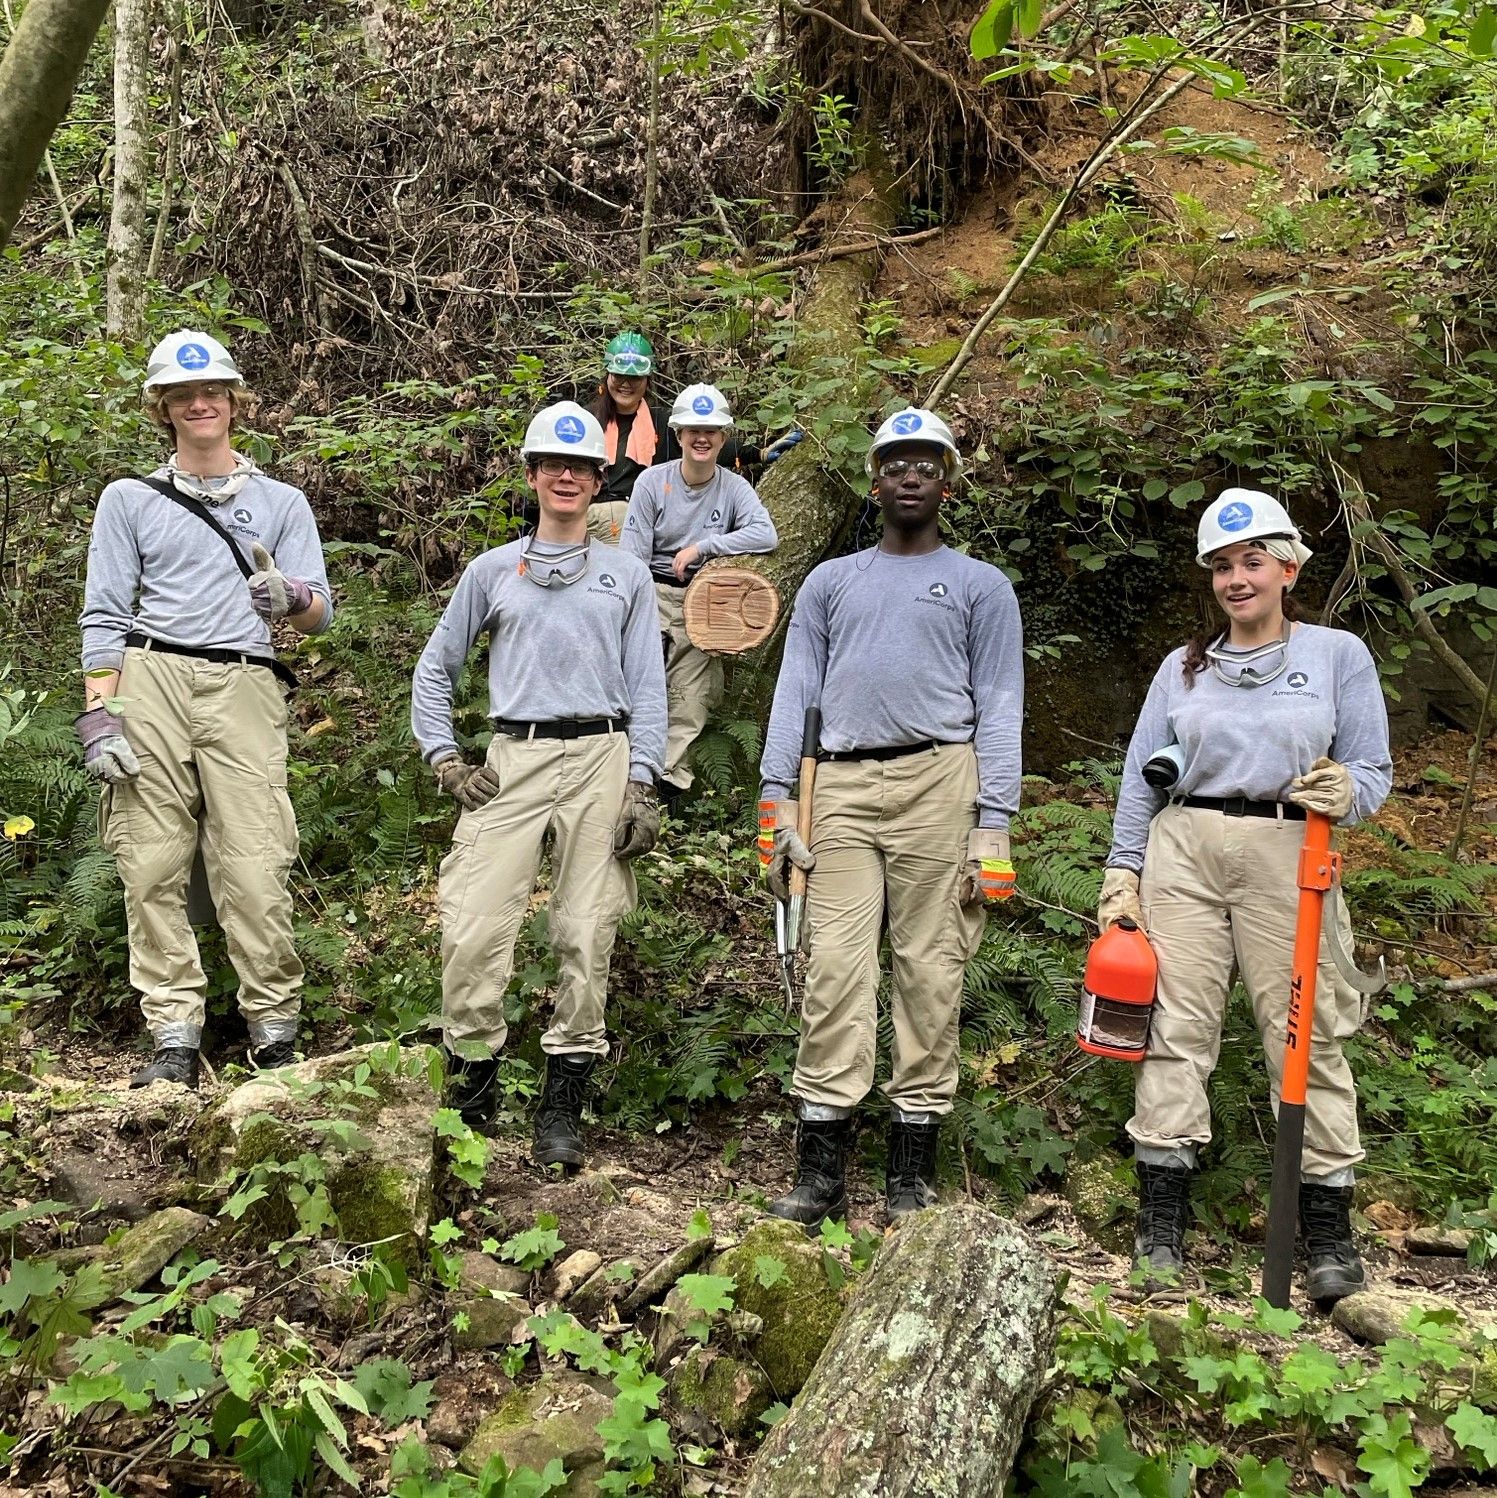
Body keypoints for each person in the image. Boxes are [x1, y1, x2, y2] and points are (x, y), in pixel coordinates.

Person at [1098, 487, 1392, 1302]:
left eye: (1252, 561)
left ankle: (1327, 1237)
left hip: (1288, 849)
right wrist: (1122, 876)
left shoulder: (1336, 656)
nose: (1236, 578)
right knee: (1173, 1027)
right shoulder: (1180, 667)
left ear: (1287, 569)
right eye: (1222, 565)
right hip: (1182, 849)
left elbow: (1370, 769)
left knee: (1304, 1031)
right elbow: (1138, 776)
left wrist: (1345, 789)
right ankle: (1159, 1227)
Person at [758, 408, 1023, 1225]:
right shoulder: (831, 581)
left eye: (925, 464)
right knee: (835, 968)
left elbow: (1001, 705)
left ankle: (911, 1171)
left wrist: (993, 823)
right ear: (874, 483)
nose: (910, 476)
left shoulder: (981, 586)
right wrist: (776, 805)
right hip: (836, 785)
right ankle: (821, 1168)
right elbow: (795, 688)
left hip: (939, 781)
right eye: (895, 464)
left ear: (946, 481)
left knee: (931, 966)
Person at [411, 401, 667, 1168]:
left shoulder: (624, 573)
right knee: (473, 925)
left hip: (601, 756)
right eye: (553, 466)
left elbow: (650, 687)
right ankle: (474, 1089)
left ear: (597, 481)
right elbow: (436, 666)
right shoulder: (492, 570)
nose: (566, 477)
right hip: (512, 759)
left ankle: (561, 1106)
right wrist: (445, 759)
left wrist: (644, 784)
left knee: (586, 932)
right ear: (531, 476)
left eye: (581, 467)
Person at [78, 329, 334, 1088]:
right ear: (162, 406)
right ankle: (174, 1033)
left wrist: (291, 598)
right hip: (150, 673)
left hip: (246, 681)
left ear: (233, 401)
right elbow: (104, 614)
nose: (200, 403)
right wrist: (101, 714)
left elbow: (323, 613)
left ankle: (275, 1028)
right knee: (150, 859)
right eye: (184, 394)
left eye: (213, 391)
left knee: (254, 860)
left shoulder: (281, 502)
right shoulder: (128, 500)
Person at [620, 384, 779, 798]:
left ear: (724, 437)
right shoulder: (652, 483)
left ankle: (665, 784)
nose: (701, 438)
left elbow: (766, 535)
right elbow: (632, 554)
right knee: (644, 682)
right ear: (678, 435)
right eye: (692, 430)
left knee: (691, 694)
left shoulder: (734, 488)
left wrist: (704, 547)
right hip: (652, 593)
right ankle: (627, 770)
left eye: (710, 430)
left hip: (702, 600)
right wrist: (635, 612)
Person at [583, 333, 802, 546]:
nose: (626, 384)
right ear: (608, 376)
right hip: (583, 510)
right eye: (619, 376)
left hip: (628, 517)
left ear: (647, 380)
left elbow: (705, 443)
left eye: (635, 378)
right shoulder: (588, 420)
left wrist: (758, 453)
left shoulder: (662, 423)